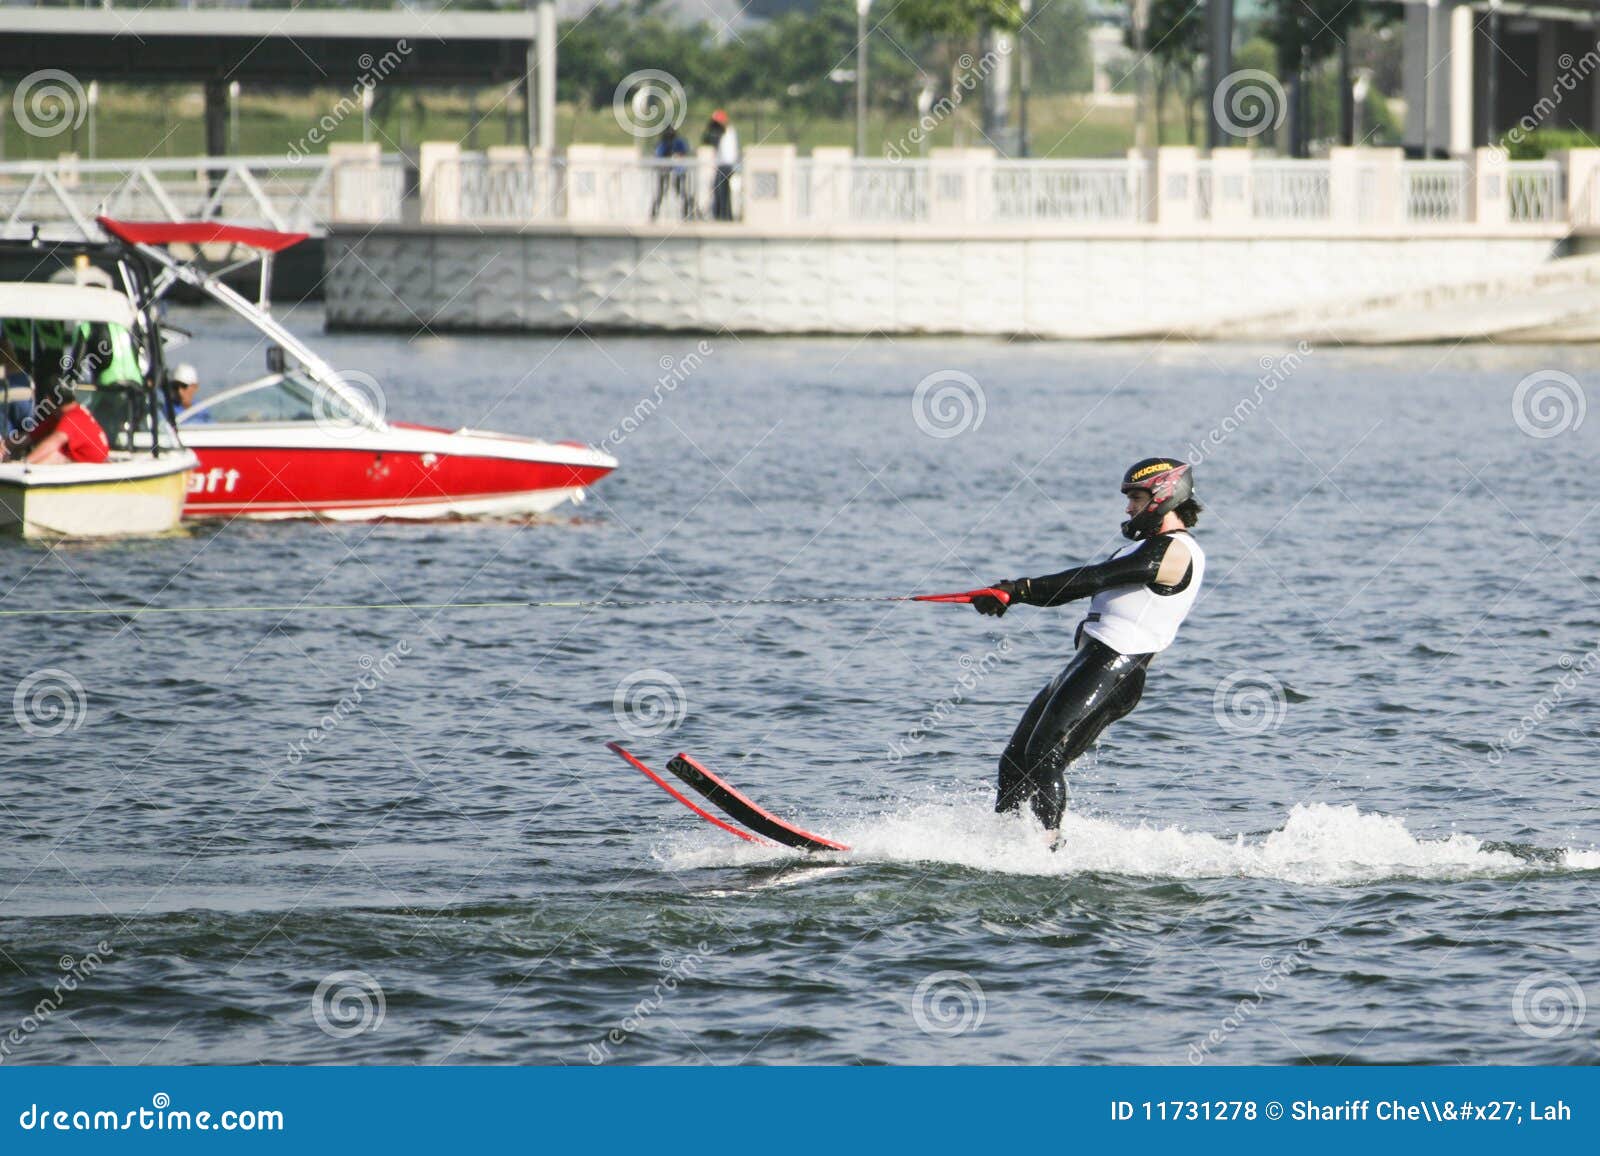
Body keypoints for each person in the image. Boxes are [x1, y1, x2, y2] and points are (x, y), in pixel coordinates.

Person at [972, 458, 1206, 847]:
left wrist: (1019, 589)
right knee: (1016, 761)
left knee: (1044, 757)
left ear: (1164, 497)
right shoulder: (1148, 549)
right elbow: (1079, 590)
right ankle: (1002, 846)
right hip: (1090, 662)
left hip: (1116, 667)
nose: (1128, 508)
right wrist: (1008, 596)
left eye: (1135, 498)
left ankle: (1048, 852)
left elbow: (1093, 579)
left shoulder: (1175, 552)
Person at [24, 379, 110, 464]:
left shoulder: (73, 417)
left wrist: (25, 463)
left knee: (53, 456)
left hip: (93, 466)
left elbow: (53, 443)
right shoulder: (60, 415)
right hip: (81, 460)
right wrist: (10, 445)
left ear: (49, 399)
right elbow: (30, 437)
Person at [702, 109, 739, 221]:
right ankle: (721, 215)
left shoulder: (727, 131)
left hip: (726, 165)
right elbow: (706, 140)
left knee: (722, 191)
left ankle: (724, 216)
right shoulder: (720, 132)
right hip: (722, 165)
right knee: (719, 190)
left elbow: (728, 152)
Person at [650, 125, 692, 221]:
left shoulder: (679, 142)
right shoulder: (662, 143)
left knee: (681, 192)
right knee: (660, 192)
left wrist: (677, 156)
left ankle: (686, 213)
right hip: (665, 172)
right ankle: (654, 214)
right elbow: (658, 155)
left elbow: (684, 152)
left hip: (678, 172)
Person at [1, 336, 34, 459]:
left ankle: (8, 463)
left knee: (7, 438)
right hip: (21, 381)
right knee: (28, 431)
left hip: (6, 387)